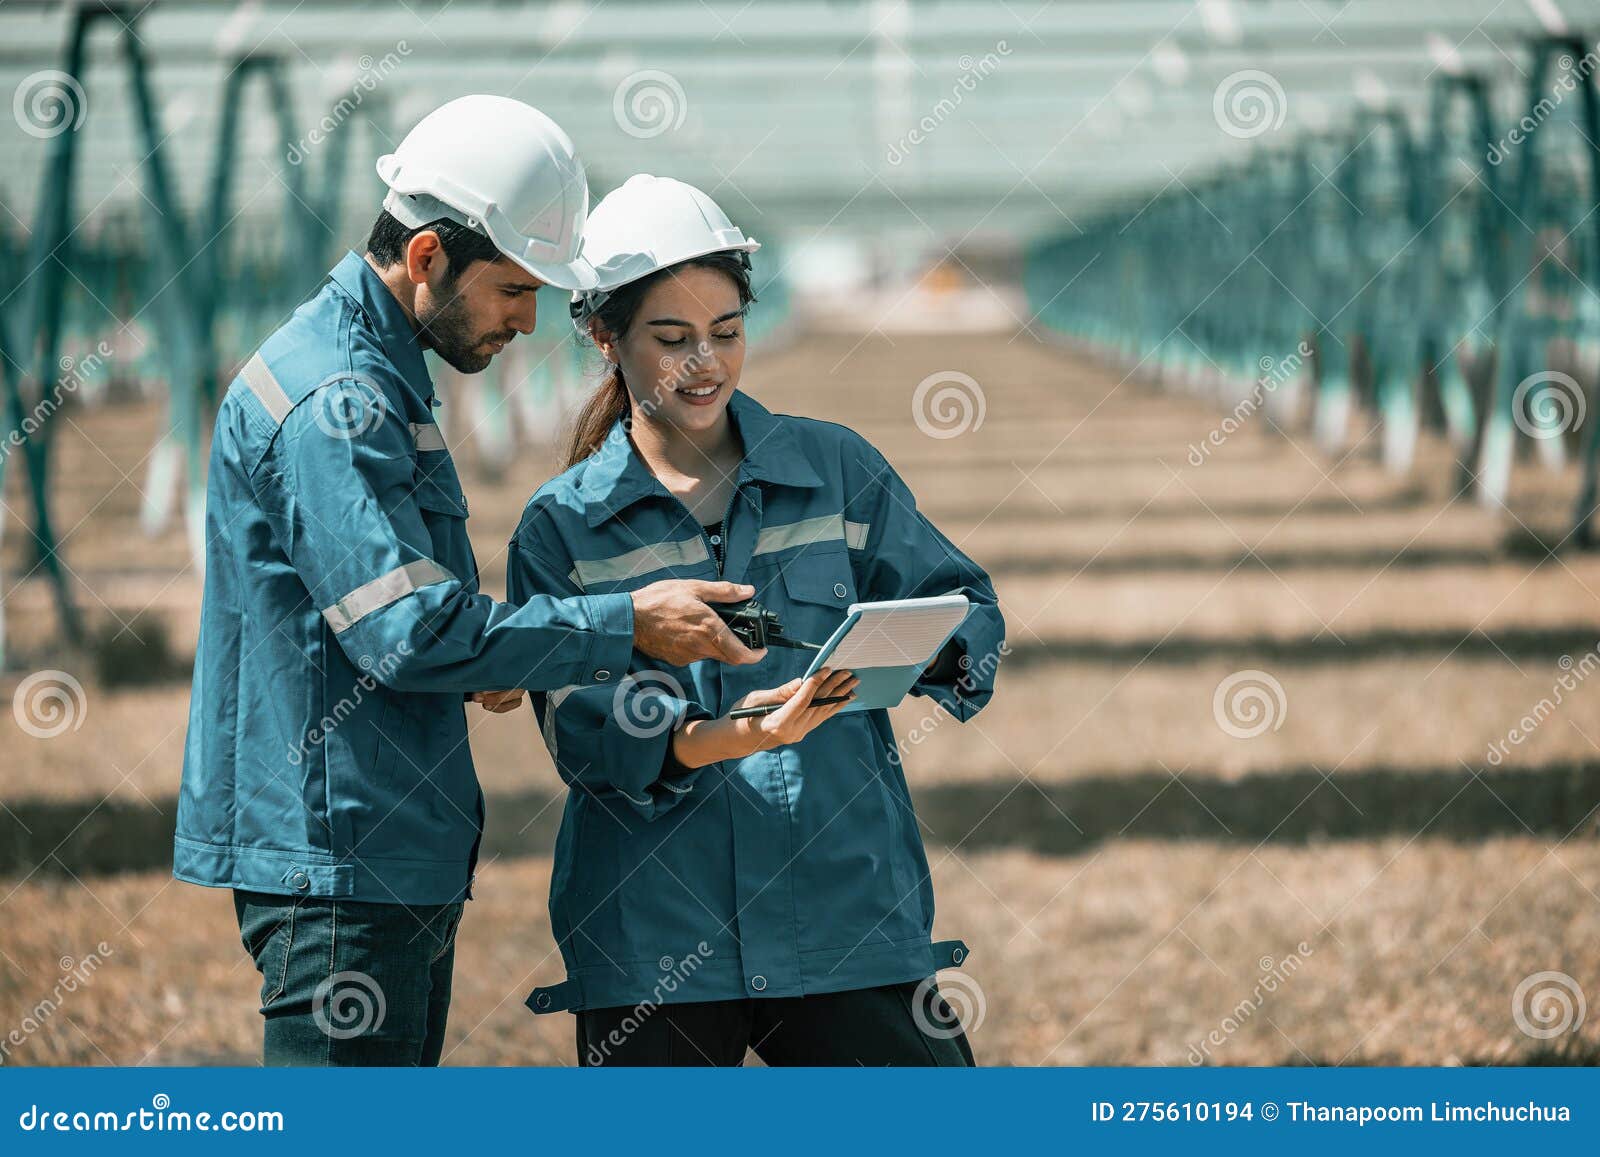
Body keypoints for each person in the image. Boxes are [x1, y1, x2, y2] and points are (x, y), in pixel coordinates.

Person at [174, 100, 763, 1067]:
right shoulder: (340, 403)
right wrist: (628, 625)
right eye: (514, 291)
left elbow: (393, 621)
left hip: (375, 840)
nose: (531, 322)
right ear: (426, 258)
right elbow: (406, 632)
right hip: (341, 855)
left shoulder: (373, 372)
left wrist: (472, 655)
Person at [503, 175, 1005, 1065]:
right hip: (656, 934)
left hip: (844, 909)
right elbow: (582, 730)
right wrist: (725, 733)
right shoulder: (564, 526)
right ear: (602, 335)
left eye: (726, 333)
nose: (706, 362)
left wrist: (920, 649)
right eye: (671, 338)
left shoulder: (835, 467)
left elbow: (965, 606)